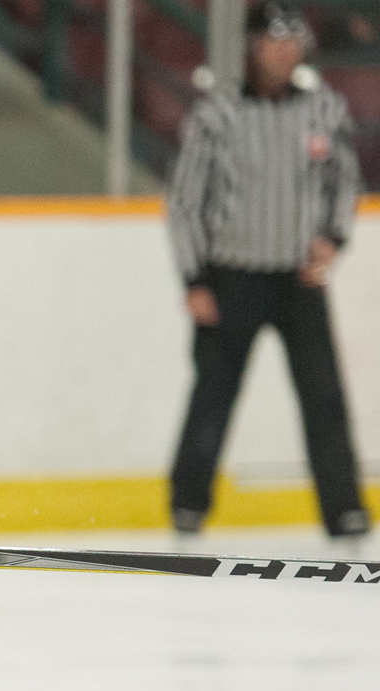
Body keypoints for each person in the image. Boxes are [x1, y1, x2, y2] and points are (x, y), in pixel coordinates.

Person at [167, 1, 369, 538]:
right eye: (273, 42)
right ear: (252, 47)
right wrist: (194, 279)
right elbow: (186, 202)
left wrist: (334, 238)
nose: (283, 52)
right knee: (213, 391)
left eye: (292, 42)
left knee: (323, 395)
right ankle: (187, 503)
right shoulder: (218, 114)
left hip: (299, 279)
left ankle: (344, 509)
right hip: (231, 275)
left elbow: (345, 183)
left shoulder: (324, 109)